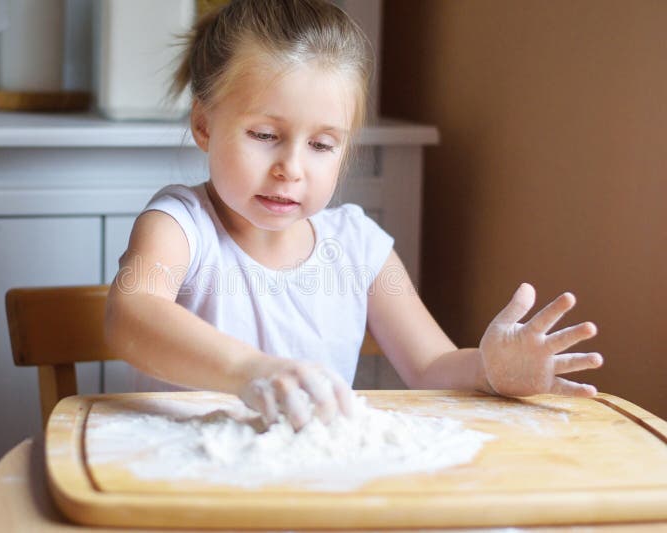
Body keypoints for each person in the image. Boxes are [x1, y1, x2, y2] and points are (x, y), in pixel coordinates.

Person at [104, 0, 603, 430]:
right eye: (263, 135)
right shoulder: (178, 226)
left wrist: (490, 370)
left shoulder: (358, 248)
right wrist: (250, 370)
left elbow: (431, 365)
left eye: (322, 144)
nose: (291, 169)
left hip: (313, 489)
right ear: (204, 125)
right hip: (185, 482)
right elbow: (131, 314)